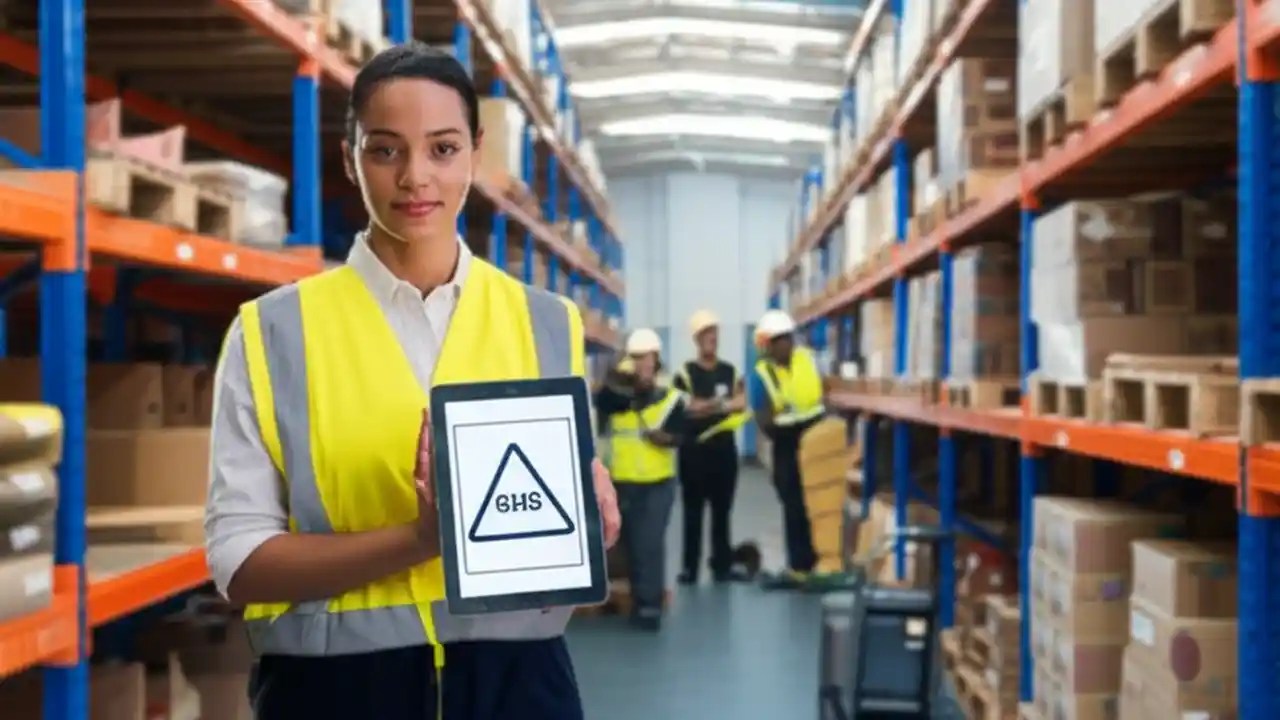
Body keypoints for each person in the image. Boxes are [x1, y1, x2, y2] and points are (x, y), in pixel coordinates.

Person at [203, 42, 621, 720]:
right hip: (335, 693)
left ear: (475, 154)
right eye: (386, 150)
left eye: (444, 149)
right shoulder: (273, 332)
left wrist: (587, 525)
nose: (416, 177)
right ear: (350, 158)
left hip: (519, 686)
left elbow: (546, 534)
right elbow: (239, 561)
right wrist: (421, 541)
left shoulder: (548, 322)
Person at [594, 328, 687, 630]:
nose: (640, 364)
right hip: (622, 478)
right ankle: (637, 599)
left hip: (657, 480)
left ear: (656, 358)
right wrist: (624, 378)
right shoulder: (616, 389)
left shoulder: (670, 391)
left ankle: (649, 607)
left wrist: (665, 438)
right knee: (630, 543)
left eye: (645, 358)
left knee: (649, 542)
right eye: (634, 358)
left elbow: (681, 432)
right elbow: (606, 401)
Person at [749, 309, 827, 590]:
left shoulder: (808, 361)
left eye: (786, 339)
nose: (784, 345)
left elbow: (822, 398)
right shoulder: (762, 374)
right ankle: (800, 565)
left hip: (813, 438)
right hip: (785, 444)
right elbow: (764, 420)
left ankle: (819, 561)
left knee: (817, 502)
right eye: (778, 341)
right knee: (793, 505)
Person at [672, 310, 748, 585]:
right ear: (696, 339)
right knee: (692, 513)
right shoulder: (684, 373)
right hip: (693, 454)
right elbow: (685, 408)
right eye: (705, 334)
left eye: (714, 332)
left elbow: (741, 401)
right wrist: (720, 404)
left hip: (724, 453)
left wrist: (709, 406)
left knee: (722, 512)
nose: (711, 338)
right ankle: (690, 569)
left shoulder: (730, 370)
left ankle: (721, 566)